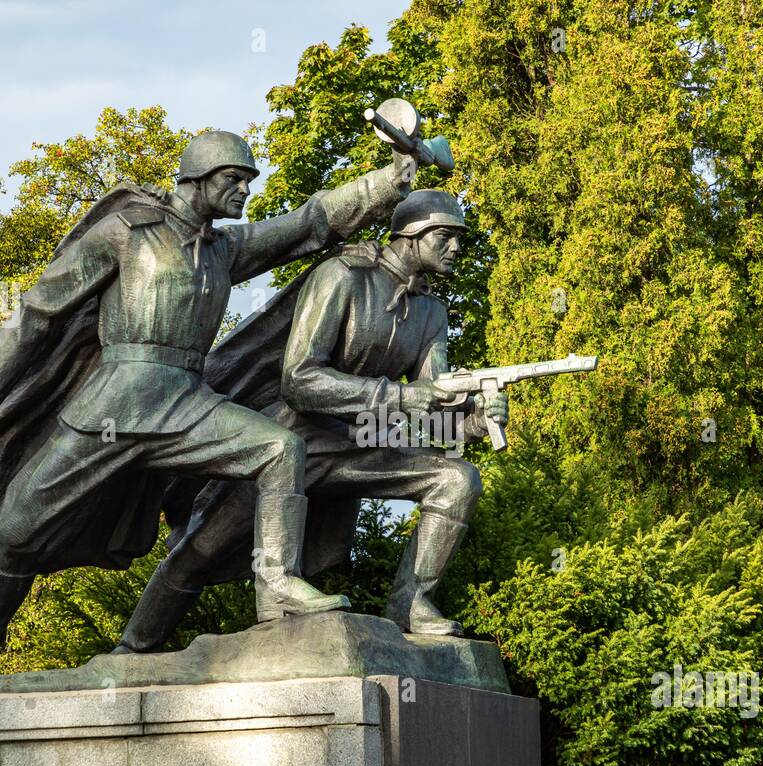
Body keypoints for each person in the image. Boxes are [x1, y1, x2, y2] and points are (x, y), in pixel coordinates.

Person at [0, 130, 417, 677]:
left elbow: (308, 224)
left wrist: (387, 182)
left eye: (248, 181)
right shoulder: (126, 232)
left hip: (186, 401)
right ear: (198, 177)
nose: (244, 191)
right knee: (18, 527)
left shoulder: (223, 250)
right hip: (114, 403)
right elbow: (34, 319)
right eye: (234, 179)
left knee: (281, 448)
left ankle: (277, 586)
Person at [115, 189, 507, 653]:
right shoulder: (342, 276)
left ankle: (410, 605)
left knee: (457, 479)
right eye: (445, 236)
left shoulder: (431, 312)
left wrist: (473, 421)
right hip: (290, 442)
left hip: (363, 441)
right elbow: (299, 379)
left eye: (458, 238)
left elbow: (433, 400)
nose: (457, 247)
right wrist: (399, 396)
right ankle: (133, 650)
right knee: (199, 554)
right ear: (409, 235)